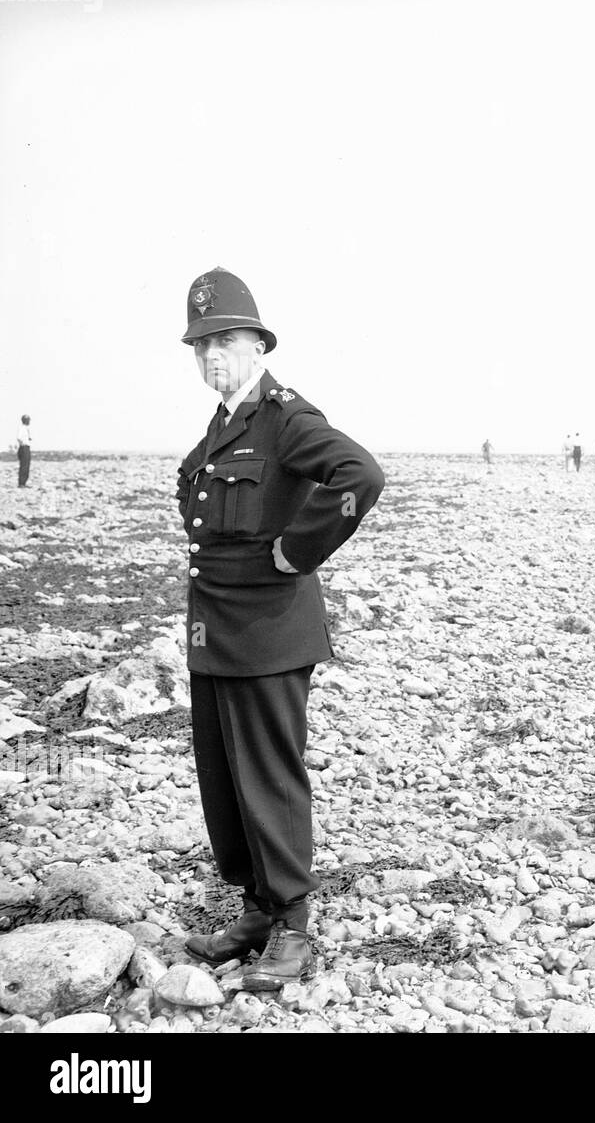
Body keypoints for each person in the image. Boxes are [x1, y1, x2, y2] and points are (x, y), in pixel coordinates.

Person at [175, 267, 385, 989]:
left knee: (268, 777)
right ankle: (258, 910)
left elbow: (361, 475)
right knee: (225, 780)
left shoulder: (285, 415)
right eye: (201, 343)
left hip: (269, 633)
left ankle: (294, 926)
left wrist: (298, 548)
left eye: (226, 340)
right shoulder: (224, 421)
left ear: (259, 345)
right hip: (218, 632)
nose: (212, 355)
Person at [15, 414, 32, 488]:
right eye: (28, 420)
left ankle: (24, 483)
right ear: (25, 420)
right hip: (24, 447)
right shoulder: (22, 428)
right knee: (24, 466)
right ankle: (21, 483)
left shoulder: (26, 428)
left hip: (26, 447)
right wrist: (23, 444)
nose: (29, 421)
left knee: (26, 465)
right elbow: (18, 437)